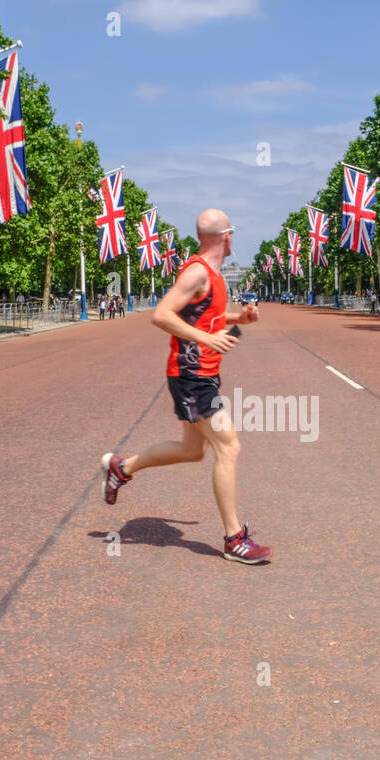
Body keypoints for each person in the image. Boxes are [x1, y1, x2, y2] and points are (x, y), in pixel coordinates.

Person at [100, 208, 272, 564]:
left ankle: (122, 468)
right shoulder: (197, 272)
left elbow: (205, 316)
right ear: (226, 236)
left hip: (202, 375)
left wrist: (240, 319)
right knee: (229, 447)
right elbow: (162, 314)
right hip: (191, 375)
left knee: (193, 451)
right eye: (232, 233)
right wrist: (204, 341)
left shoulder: (210, 276)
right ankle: (234, 539)